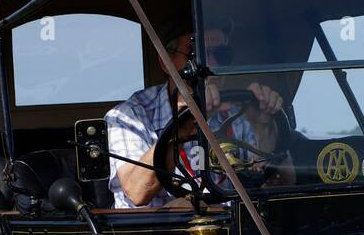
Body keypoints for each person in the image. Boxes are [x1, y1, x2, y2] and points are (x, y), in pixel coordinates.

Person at [106, 20, 284, 208]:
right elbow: (137, 192)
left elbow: (278, 185)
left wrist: (262, 128)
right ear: (166, 63)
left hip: (231, 232)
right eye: (198, 54)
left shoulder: (236, 114)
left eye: (221, 55)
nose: (211, 65)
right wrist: (182, 127)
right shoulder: (130, 115)